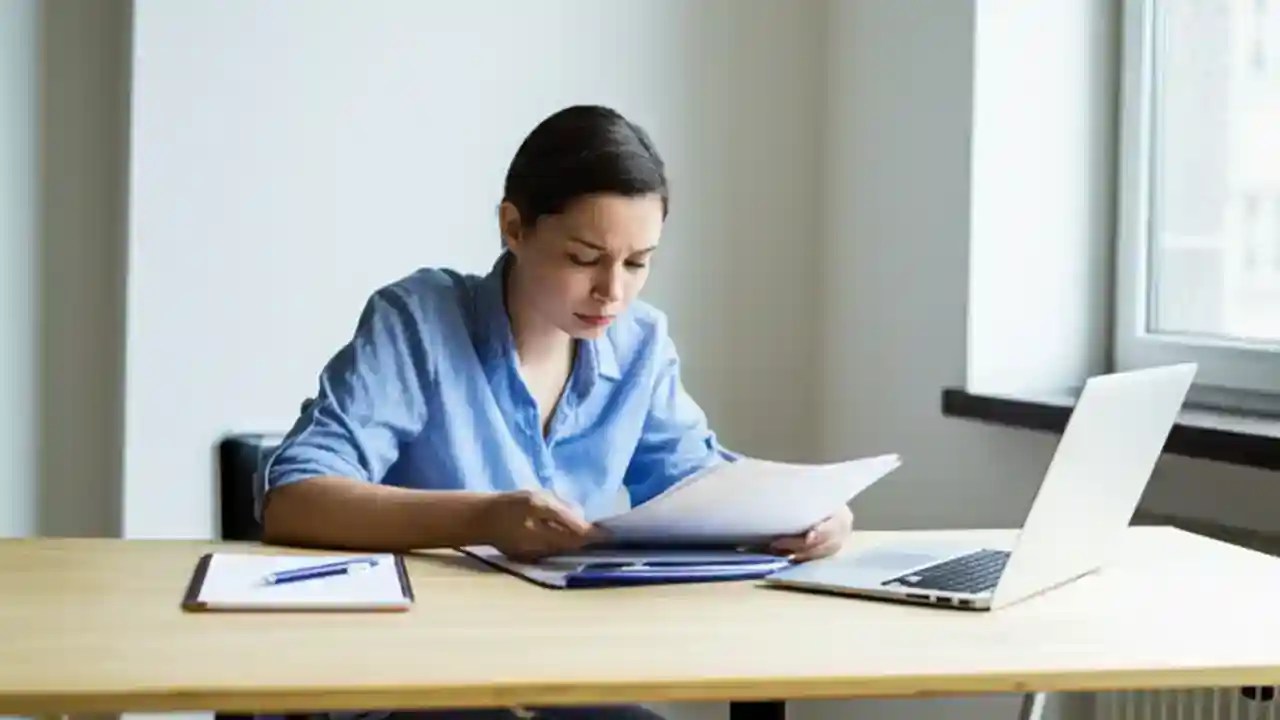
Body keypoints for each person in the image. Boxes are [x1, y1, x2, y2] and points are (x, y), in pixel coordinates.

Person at [257, 104, 854, 720]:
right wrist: (486, 518)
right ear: (513, 228)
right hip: (419, 683)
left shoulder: (641, 343)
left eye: (637, 262)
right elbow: (294, 500)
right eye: (583, 257)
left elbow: (702, 486)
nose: (612, 291)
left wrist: (807, 512)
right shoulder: (419, 320)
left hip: (569, 677)